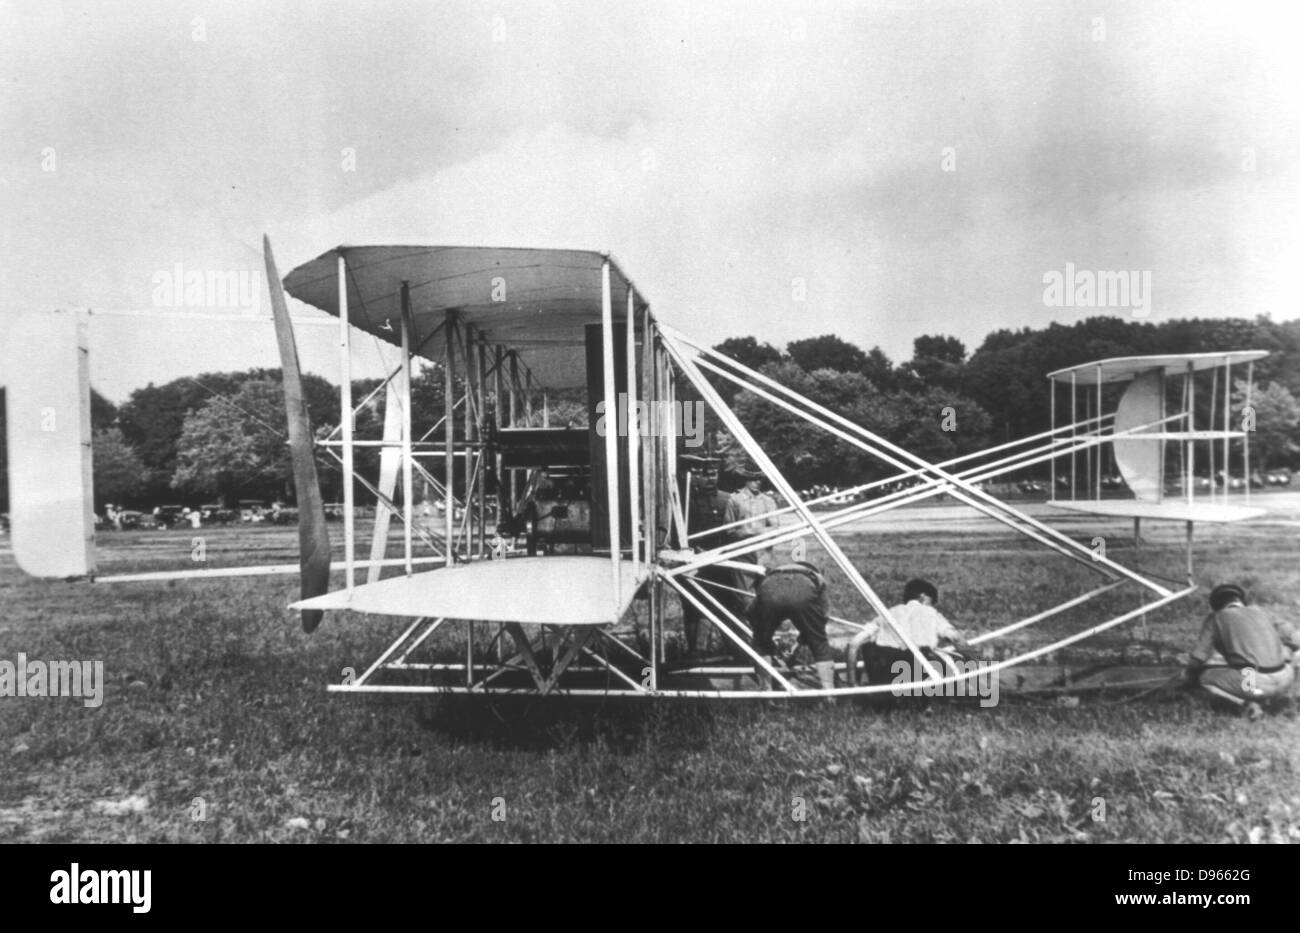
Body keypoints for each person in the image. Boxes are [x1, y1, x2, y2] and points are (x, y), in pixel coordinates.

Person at [1184, 583, 1299, 720]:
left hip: (1253, 683)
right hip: (1286, 678)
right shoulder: (1261, 611)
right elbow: (1293, 636)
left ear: (1216, 606)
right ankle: (1279, 698)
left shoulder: (1216, 618)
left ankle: (1247, 705)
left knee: (1204, 678)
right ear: (1240, 600)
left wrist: (1189, 675)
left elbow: (1197, 659)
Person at [677, 455, 746, 656]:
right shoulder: (686, 501)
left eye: (713, 474)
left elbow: (734, 532)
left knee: (728, 604)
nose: (709, 479)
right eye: (705, 475)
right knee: (693, 606)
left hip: (721, 563)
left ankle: (735, 650)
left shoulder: (727, 500)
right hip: (695, 563)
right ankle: (696, 652)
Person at [845, 578, 970, 686]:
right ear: (923, 597)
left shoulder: (886, 615)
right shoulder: (931, 613)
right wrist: (971, 660)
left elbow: (853, 644)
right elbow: (956, 638)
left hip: (887, 675)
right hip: (919, 674)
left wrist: (853, 683)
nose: (931, 607)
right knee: (952, 658)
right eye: (931, 603)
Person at [747, 560, 837, 697]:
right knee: (820, 643)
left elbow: (751, 612)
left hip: (769, 588)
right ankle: (830, 695)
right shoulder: (817, 577)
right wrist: (806, 637)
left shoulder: (773, 574)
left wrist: (763, 635)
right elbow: (823, 617)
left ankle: (767, 694)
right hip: (803, 589)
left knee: (760, 643)